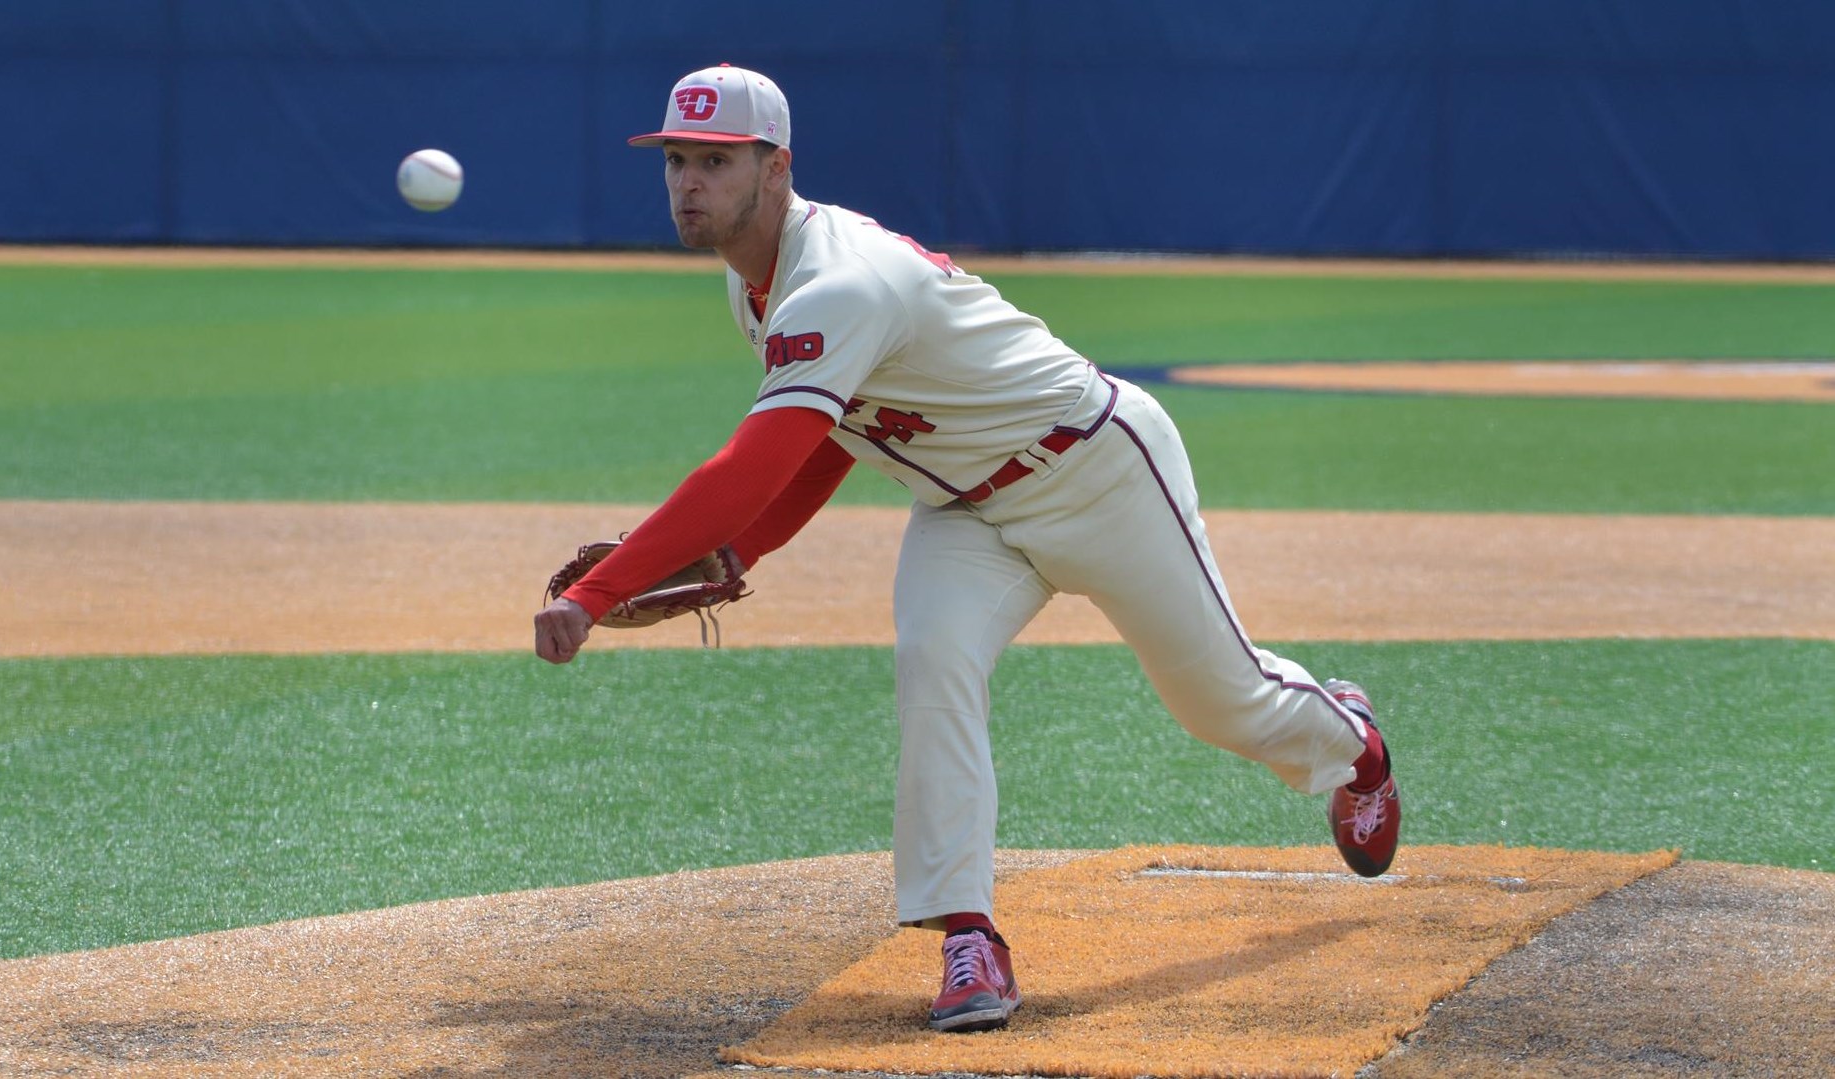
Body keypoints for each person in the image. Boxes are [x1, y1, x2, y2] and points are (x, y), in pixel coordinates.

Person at [533, 64, 1401, 1034]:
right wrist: (740, 556)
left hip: (1095, 469)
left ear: (775, 167)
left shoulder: (837, 279)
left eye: (716, 161)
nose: (689, 182)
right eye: (678, 161)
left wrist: (601, 591)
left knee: (1217, 700)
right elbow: (829, 442)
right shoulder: (757, 288)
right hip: (963, 510)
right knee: (933, 664)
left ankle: (1351, 744)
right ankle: (968, 934)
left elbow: (748, 465)